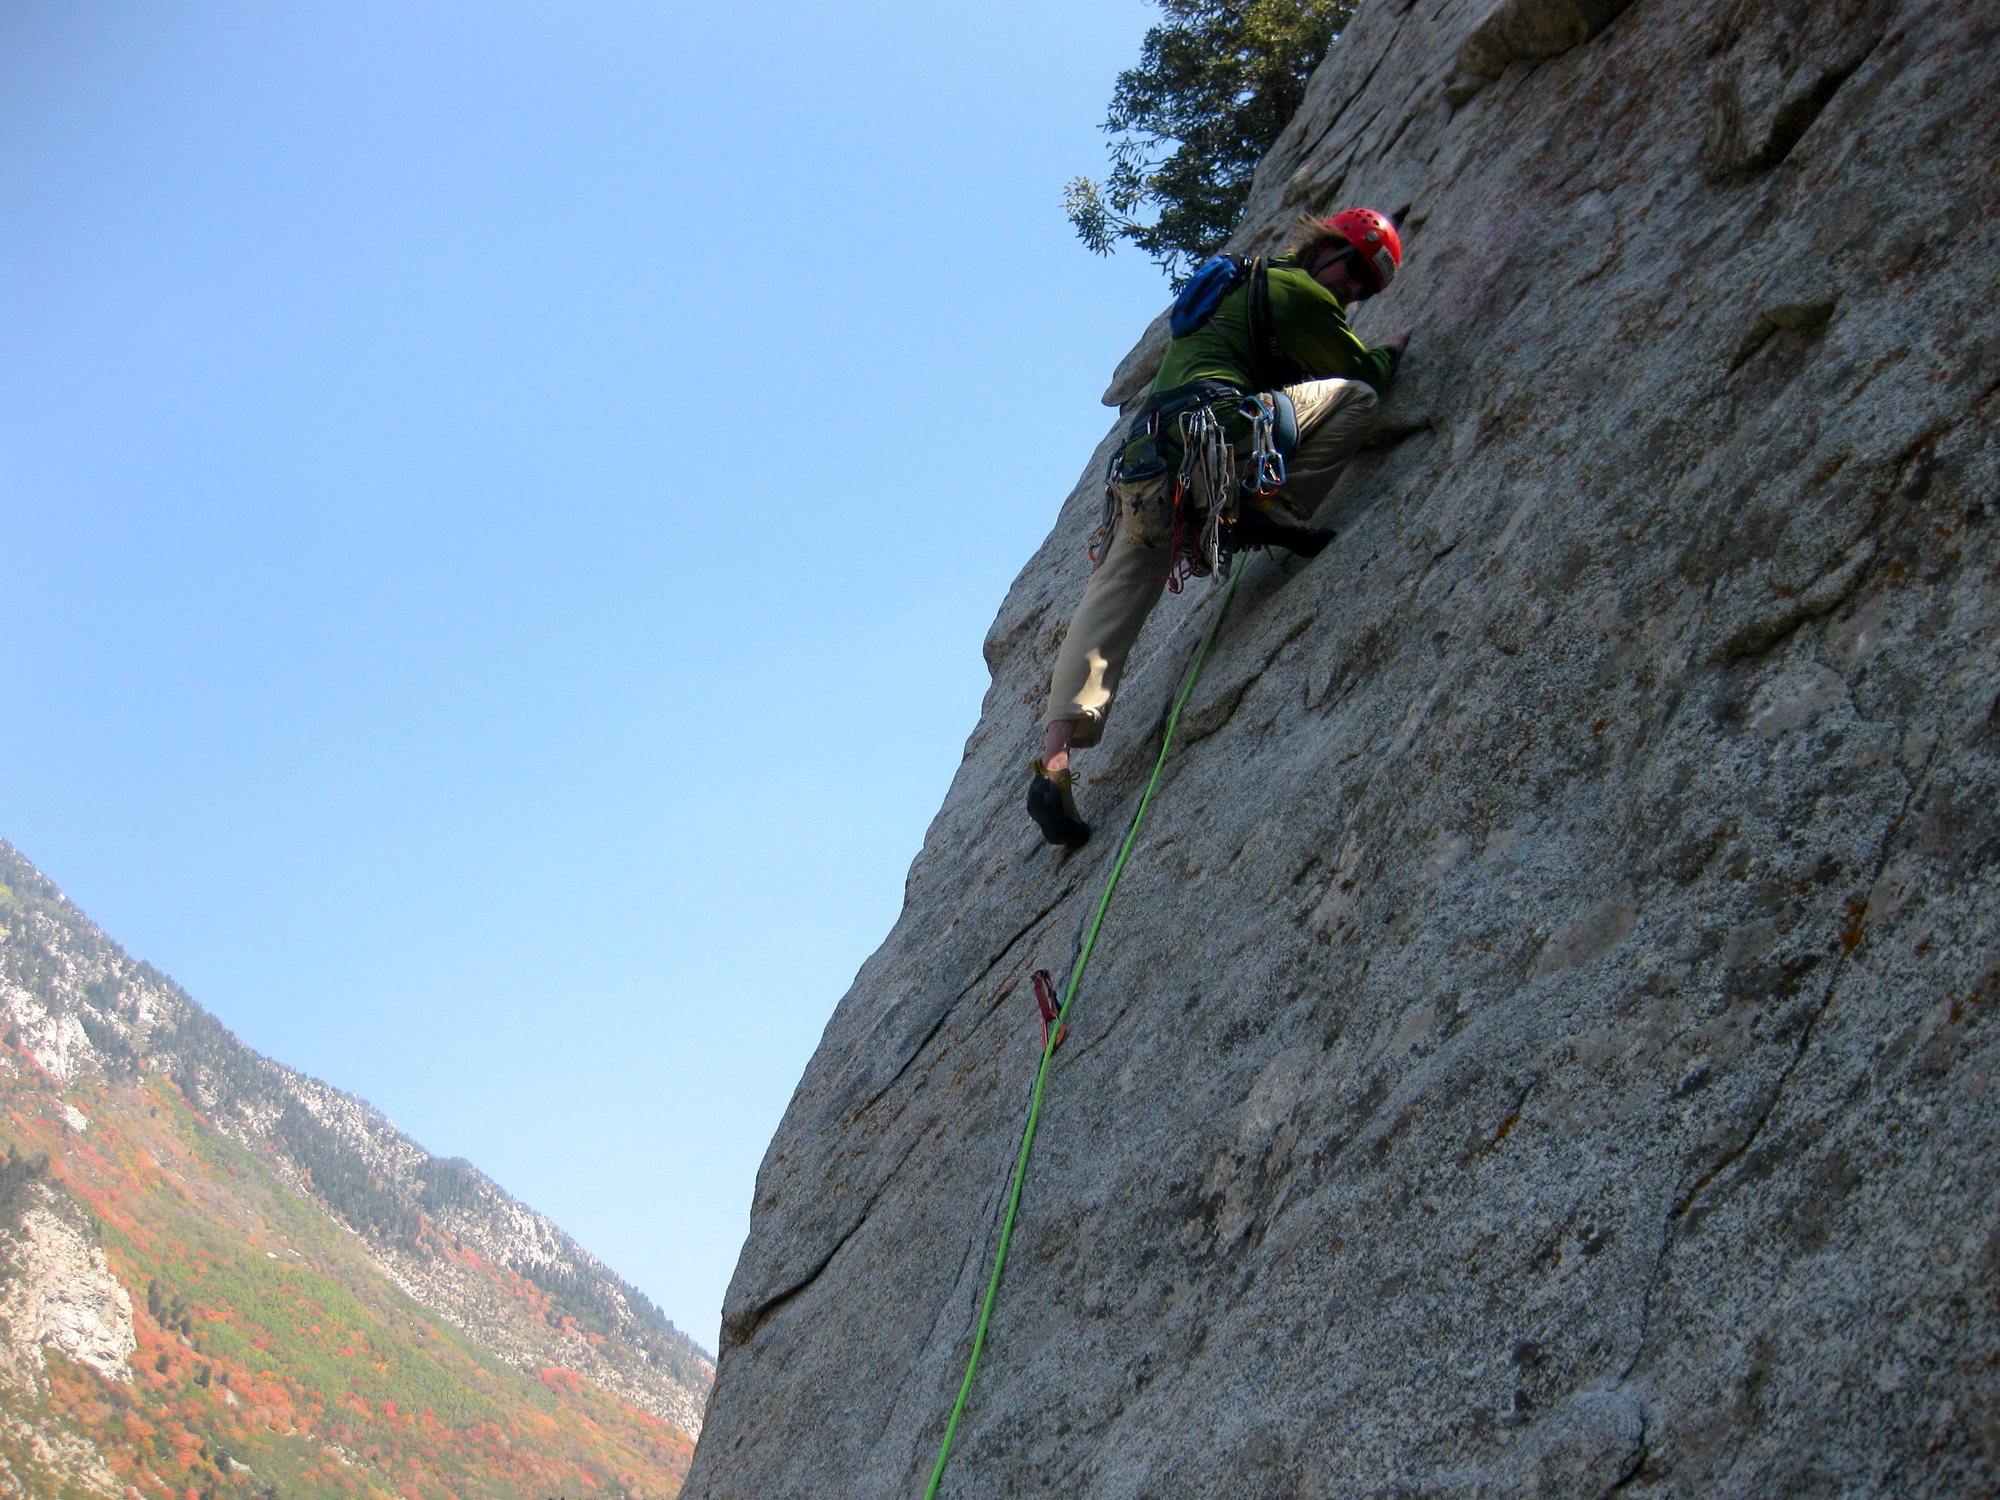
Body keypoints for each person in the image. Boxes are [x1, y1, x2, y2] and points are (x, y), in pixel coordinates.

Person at [1028, 207, 1413, 848]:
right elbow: (1359, 370)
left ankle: (1055, 760)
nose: (1353, 292)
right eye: (1355, 274)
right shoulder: (1300, 293)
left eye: (1367, 291)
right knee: (1357, 399)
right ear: (1326, 249)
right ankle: (1276, 504)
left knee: (1113, 596)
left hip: (1149, 458)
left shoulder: (1236, 280)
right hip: (1220, 431)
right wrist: (1390, 352)